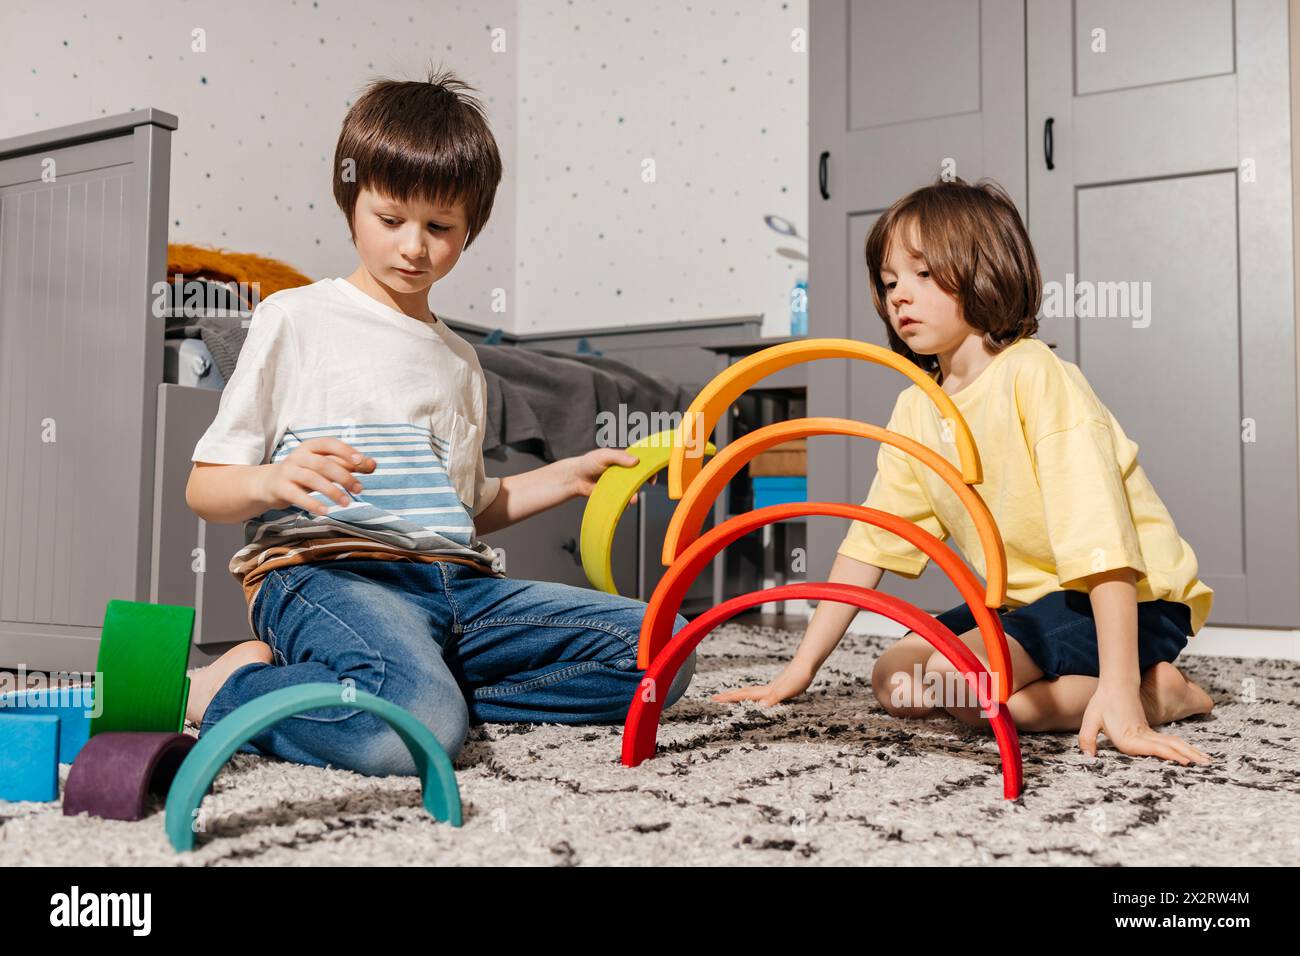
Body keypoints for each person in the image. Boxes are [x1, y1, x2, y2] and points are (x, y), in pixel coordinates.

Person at [183, 67, 695, 775]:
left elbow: (468, 509)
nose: (414, 247)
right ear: (350, 200)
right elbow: (206, 488)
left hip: (460, 584)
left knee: (663, 648)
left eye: (440, 227)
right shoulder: (294, 319)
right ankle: (227, 689)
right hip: (332, 575)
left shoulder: (461, 361)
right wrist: (274, 480)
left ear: (470, 228)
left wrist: (565, 476)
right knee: (406, 733)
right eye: (390, 219)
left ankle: (426, 691)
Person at [715, 177, 1214, 766]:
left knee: (965, 685)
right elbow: (871, 543)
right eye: (889, 281)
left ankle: (1152, 692)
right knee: (895, 681)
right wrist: (797, 671)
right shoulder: (916, 406)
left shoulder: (1036, 376)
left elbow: (1099, 536)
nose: (900, 295)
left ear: (984, 270)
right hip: (1022, 601)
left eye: (923, 275)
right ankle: (1083, 685)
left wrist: (1123, 695)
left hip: (1129, 594)